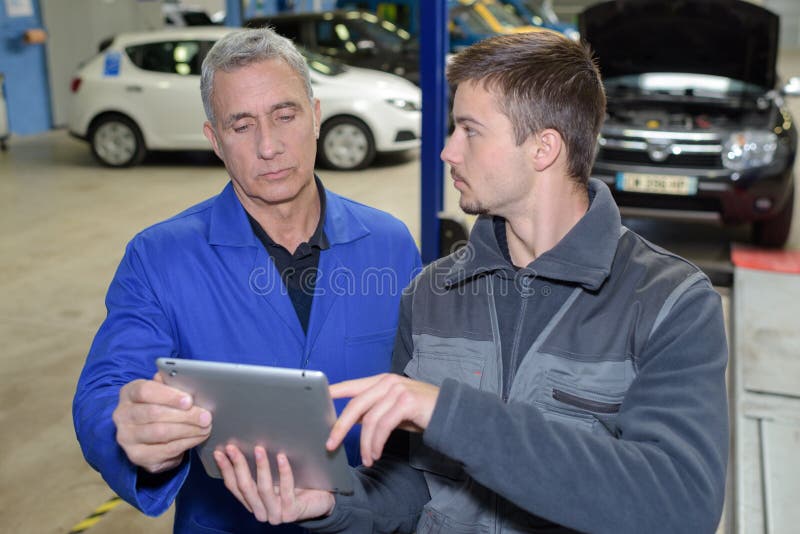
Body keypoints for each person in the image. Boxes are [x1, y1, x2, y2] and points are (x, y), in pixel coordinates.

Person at [215, 31, 730, 533]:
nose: (447, 152)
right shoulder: (432, 293)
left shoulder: (669, 302)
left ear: (543, 148)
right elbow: (412, 488)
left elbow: (680, 505)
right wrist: (333, 504)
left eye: (469, 130)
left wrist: (448, 412)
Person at [72, 27, 421, 534]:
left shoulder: (390, 244)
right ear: (215, 140)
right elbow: (106, 389)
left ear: (316, 116)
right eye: (241, 125)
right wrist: (125, 427)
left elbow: (423, 385)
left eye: (285, 115)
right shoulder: (159, 257)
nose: (269, 145)